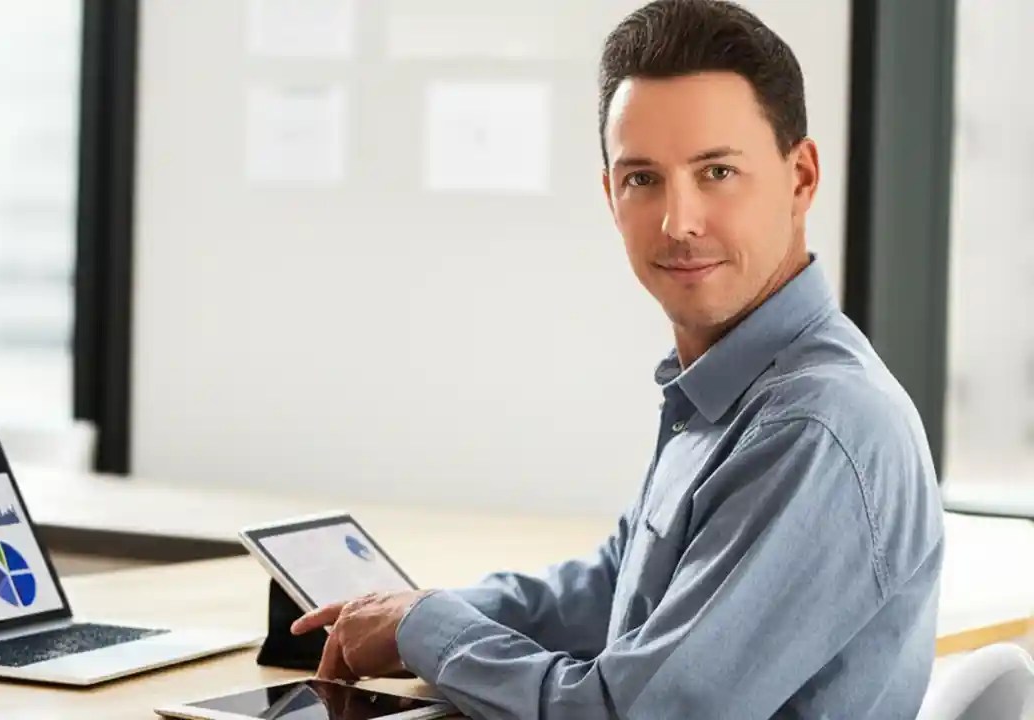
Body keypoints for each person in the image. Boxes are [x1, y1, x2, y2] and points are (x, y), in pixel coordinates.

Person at [291, 1, 945, 717]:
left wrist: (430, 630)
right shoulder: (730, 388)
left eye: (717, 171)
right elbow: (615, 587)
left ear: (802, 178)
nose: (678, 222)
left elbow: (625, 715)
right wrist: (419, 613)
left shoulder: (817, 426)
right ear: (610, 195)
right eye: (643, 179)